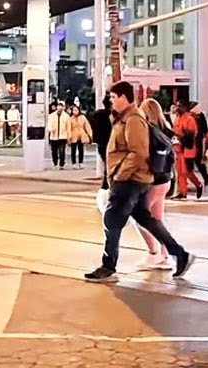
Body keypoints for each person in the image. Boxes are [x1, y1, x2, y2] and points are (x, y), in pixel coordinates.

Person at [84, 81, 193, 283]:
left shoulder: (133, 120)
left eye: (114, 97)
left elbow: (139, 152)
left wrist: (120, 174)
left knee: (112, 219)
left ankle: (108, 265)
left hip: (130, 180)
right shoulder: (124, 118)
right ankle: (180, 253)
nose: (111, 101)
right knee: (145, 218)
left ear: (124, 98)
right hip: (134, 179)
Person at [135, 99, 176, 270]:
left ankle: (154, 253)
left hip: (152, 180)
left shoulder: (148, 131)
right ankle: (165, 256)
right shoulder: (166, 130)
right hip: (165, 179)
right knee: (158, 218)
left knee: (139, 217)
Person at [172, 103, 202, 199]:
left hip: (187, 149)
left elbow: (191, 135)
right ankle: (183, 192)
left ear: (185, 107)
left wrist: (181, 135)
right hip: (178, 148)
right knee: (180, 171)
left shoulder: (190, 119)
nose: (178, 108)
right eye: (177, 106)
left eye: (180, 106)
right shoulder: (177, 119)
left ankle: (198, 184)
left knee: (187, 171)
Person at [90, 97, 112, 176]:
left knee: (106, 162)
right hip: (110, 142)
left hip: (101, 143)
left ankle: (106, 179)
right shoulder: (114, 115)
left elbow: (94, 128)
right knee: (110, 164)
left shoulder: (97, 114)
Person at [67, 105, 93, 169]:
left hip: (81, 136)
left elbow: (87, 126)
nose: (75, 111)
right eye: (74, 110)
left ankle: (81, 162)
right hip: (73, 136)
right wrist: (69, 137)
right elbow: (68, 128)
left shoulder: (83, 118)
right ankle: (73, 163)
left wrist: (90, 135)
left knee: (81, 149)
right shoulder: (70, 119)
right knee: (73, 150)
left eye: (76, 110)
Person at [46, 104, 69, 170]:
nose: (60, 108)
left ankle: (61, 164)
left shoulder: (66, 116)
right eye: (59, 106)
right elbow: (49, 125)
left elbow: (68, 127)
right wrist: (51, 129)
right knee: (54, 151)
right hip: (54, 137)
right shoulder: (51, 116)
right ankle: (55, 163)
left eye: (61, 107)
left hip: (63, 136)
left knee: (62, 151)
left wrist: (68, 136)